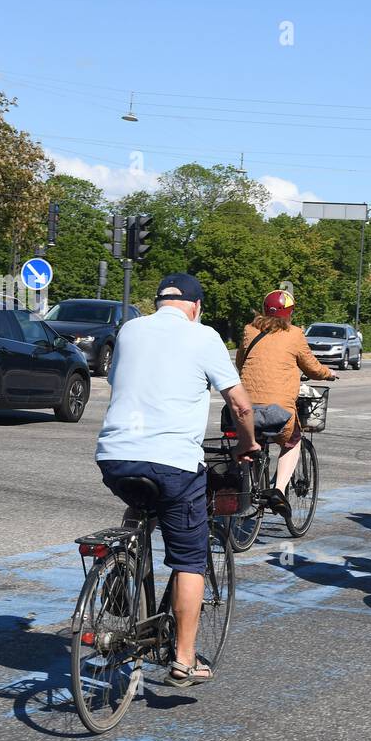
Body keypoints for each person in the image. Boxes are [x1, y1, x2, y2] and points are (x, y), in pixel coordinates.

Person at [96, 273, 258, 686]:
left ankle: (124, 566)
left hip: (114, 458)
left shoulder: (129, 330)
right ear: (196, 306)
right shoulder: (204, 337)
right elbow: (240, 406)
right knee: (189, 559)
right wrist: (247, 444)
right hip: (173, 464)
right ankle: (184, 660)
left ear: (159, 303)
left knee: (142, 497)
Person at [235, 289, 337, 517]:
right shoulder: (295, 334)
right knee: (292, 440)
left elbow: (241, 362)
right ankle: (278, 491)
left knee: (250, 441)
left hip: (244, 408)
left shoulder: (249, 330)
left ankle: (247, 488)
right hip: (277, 411)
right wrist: (328, 374)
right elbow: (312, 367)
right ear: (290, 312)